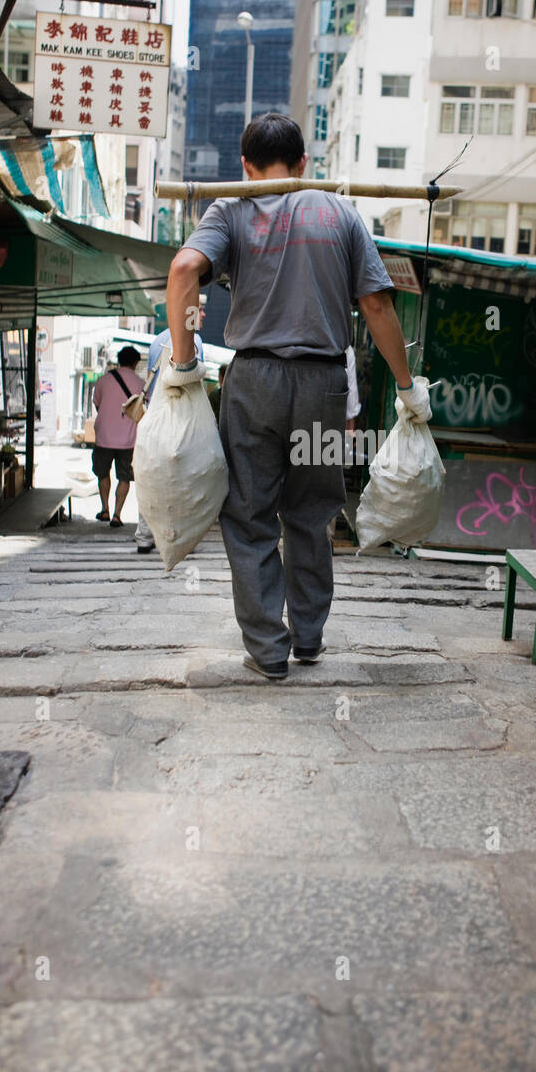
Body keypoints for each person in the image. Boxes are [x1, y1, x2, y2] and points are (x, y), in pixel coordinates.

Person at [164, 111, 430, 681]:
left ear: (245, 166)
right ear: (305, 162)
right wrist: (407, 389)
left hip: (254, 383)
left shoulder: (230, 208)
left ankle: (267, 650)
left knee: (251, 515)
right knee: (312, 514)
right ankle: (308, 637)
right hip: (324, 388)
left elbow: (185, 267)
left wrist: (184, 364)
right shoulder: (339, 212)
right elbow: (378, 306)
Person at [135, 301, 206, 554]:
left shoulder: (158, 340)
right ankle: (181, 537)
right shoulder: (193, 341)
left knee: (152, 476)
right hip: (180, 419)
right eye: (199, 310)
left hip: (155, 417)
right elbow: (193, 379)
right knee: (185, 479)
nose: (204, 315)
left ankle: (145, 535)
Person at [91, 345, 144, 529]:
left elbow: (97, 404)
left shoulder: (103, 380)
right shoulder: (141, 384)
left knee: (102, 473)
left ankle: (104, 508)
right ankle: (116, 515)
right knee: (124, 477)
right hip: (128, 440)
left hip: (104, 437)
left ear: (119, 360)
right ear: (136, 362)